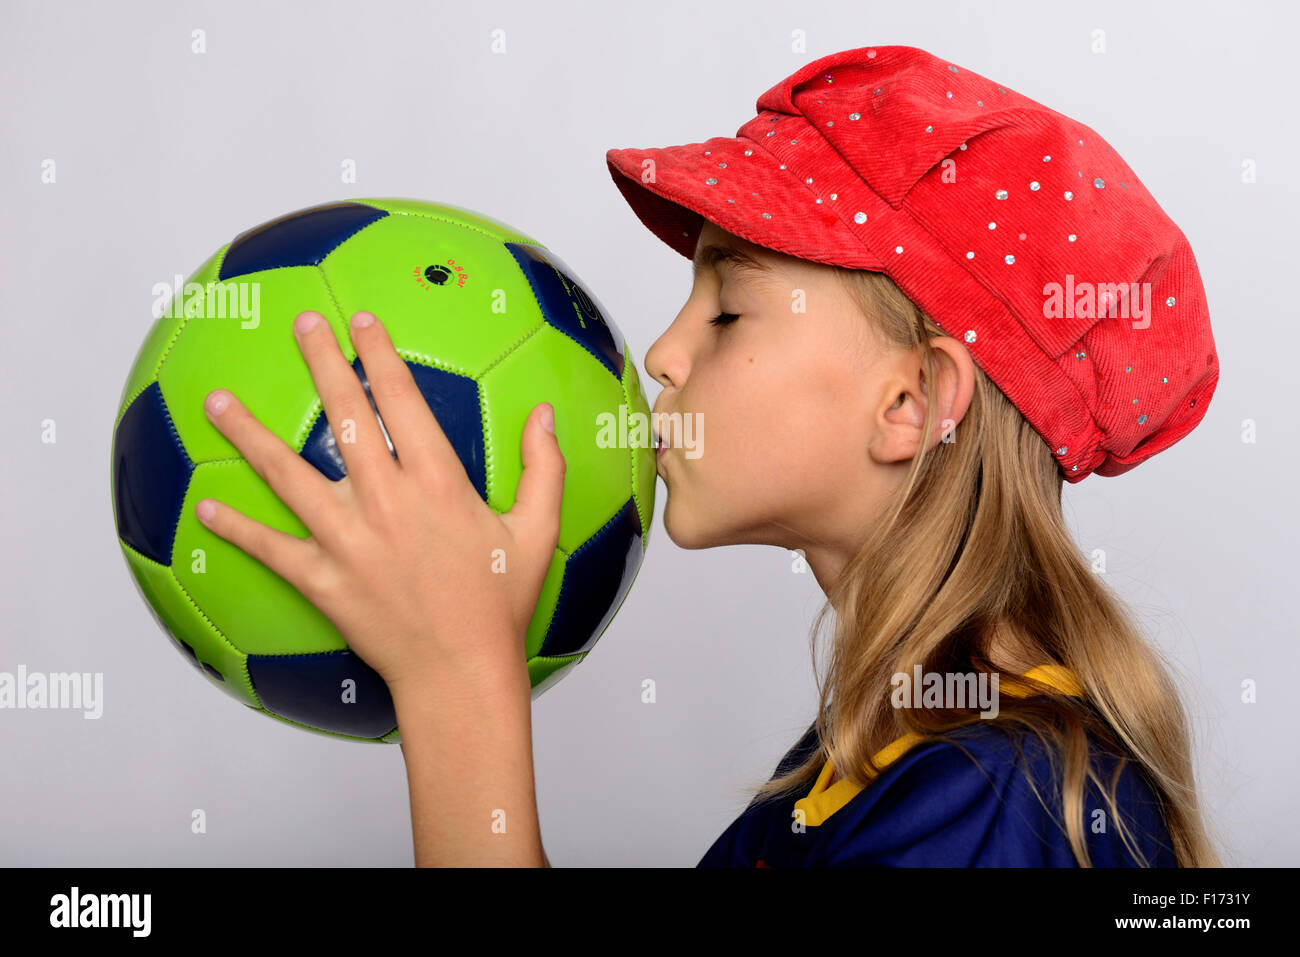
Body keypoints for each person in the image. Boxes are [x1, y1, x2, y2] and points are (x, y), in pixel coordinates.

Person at [194, 45, 1221, 866]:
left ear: (911, 402)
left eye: (727, 308)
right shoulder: (869, 760)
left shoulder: (995, 804)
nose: (662, 354)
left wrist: (456, 686)